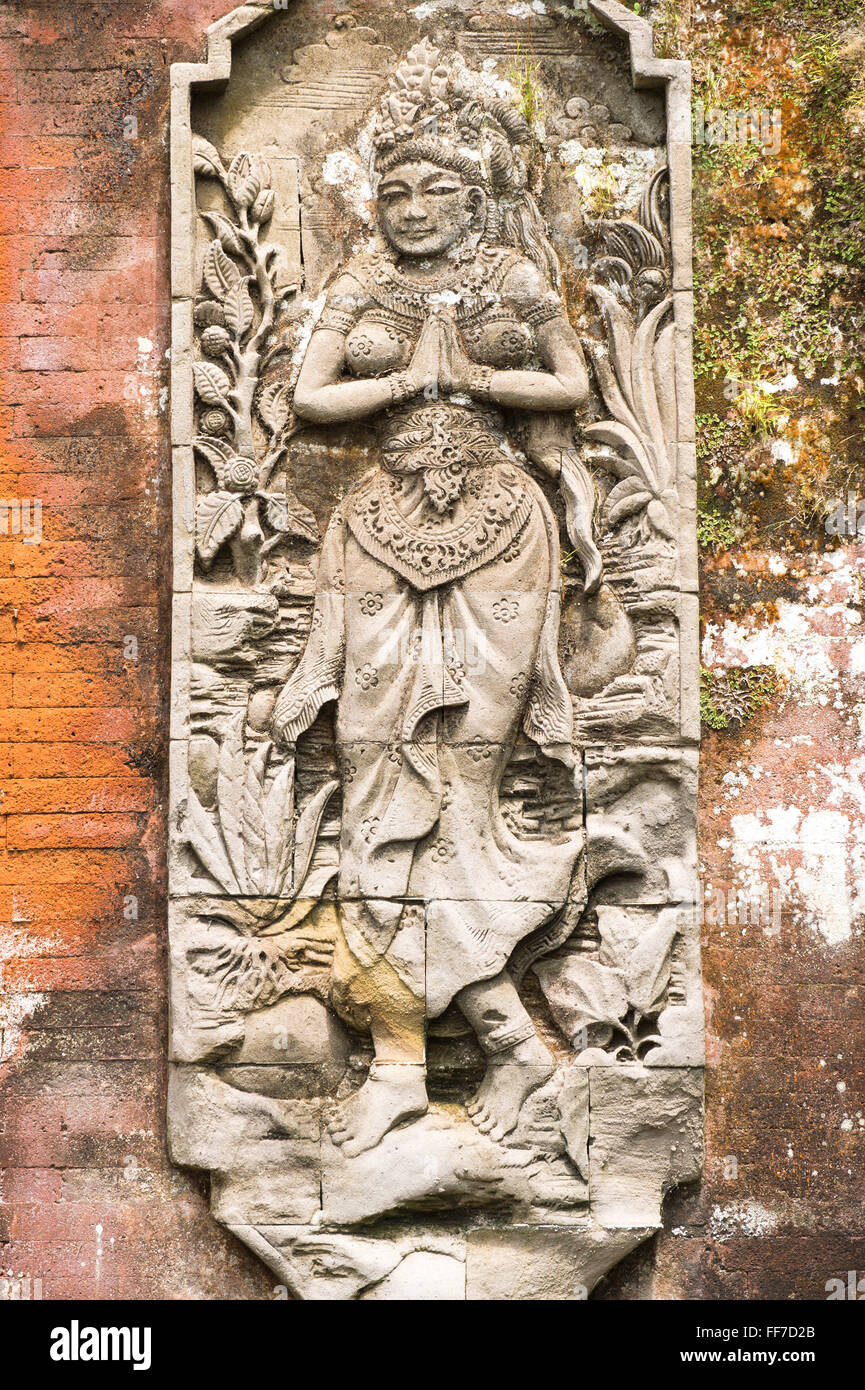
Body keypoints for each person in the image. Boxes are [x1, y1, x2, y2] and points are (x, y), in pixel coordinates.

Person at [272, 44, 601, 1156]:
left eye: (436, 190)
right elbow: (313, 398)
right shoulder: (360, 280)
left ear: (475, 196)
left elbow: (572, 383)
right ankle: (422, 1062)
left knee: (463, 778)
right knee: (372, 768)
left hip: (500, 533)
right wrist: (408, 381)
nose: (412, 207)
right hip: (377, 527)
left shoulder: (511, 279)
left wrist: (477, 379)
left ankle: (488, 1049)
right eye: (395, 189)